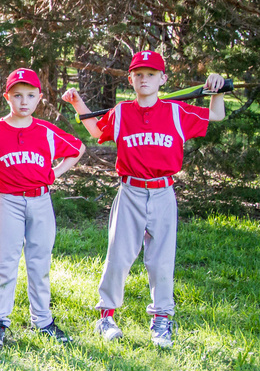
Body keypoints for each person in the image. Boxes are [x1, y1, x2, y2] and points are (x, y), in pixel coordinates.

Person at [62, 51, 226, 347]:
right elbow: (97, 130)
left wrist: (217, 88)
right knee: (118, 256)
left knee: (161, 260)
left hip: (163, 192)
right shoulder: (122, 112)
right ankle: (106, 316)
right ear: (131, 79)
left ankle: (161, 318)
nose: (144, 79)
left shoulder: (176, 112)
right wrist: (77, 103)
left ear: (163, 79)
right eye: (138, 74)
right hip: (131, 191)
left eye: (151, 74)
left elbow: (216, 115)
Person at [0, 68, 85, 347]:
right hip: (8, 201)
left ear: (39, 98)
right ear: (7, 97)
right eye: (17, 95)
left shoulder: (45, 130)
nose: (24, 101)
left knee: (39, 261)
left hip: (40, 200)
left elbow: (78, 148)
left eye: (30, 96)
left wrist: (55, 173)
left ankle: (42, 320)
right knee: (5, 262)